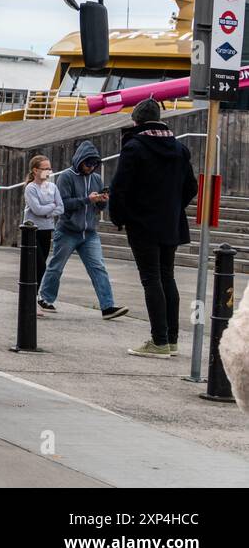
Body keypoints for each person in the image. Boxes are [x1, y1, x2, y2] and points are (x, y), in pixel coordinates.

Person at [108, 98, 198, 358]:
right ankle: (171, 340)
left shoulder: (135, 147)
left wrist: (119, 217)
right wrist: (172, 206)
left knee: (151, 279)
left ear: (136, 121)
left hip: (142, 224)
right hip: (170, 222)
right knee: (167, 276)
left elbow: (119, 187)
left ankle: (158, 340)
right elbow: (191, 187)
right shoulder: (180, 149)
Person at [37, 140, 128, 320]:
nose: (91, 167)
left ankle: (107, 306)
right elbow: (63, 204)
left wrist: (102, 200)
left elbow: (100, 207)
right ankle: (45, 298)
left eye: (94, 164)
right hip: (68, 230)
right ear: (79, 161)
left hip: (89, 232)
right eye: (88, 163)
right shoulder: (66, 177)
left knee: (98, 267)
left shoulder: (96, 178)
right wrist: (87, 200)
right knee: (56, 266)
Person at [23, 154, 63, 285]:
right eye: (45, 168)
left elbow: (61, 208)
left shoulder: (53, 187)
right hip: (32, 230)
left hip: (47, 229)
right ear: (35, 170)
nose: (49, 171)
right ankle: (31, 293)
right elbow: (37, 210)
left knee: (42, 264)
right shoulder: (31, 188)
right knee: (38, 265)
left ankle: (35, 293)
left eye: (50, 168)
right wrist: (52, 206)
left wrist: (47, 213)